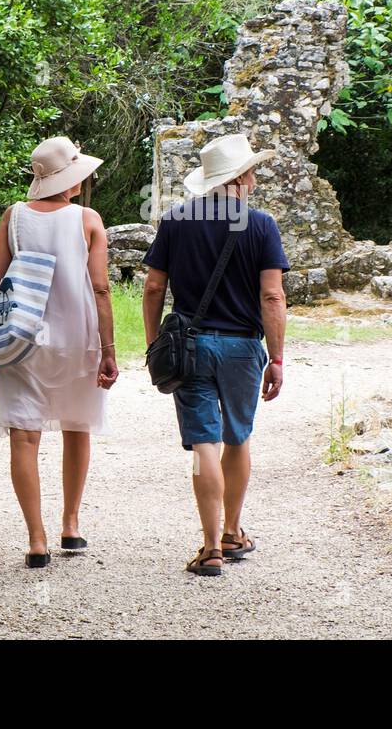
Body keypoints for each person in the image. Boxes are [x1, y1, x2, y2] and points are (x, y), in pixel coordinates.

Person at [141, 133, 288, 577]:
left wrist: (153, 344)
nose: (256, 178)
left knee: (204, 442)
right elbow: (273, 297)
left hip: (191, 346)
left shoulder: (176, 219)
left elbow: (153, 287)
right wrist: (276, 357)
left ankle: (209, 549)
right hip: (243, 347)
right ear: (241, 176)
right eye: (253, 170)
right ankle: (233, 531)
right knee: (237, 438)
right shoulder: (261, 225)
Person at [0, 136, 119, 568]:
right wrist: (108, 349)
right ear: (69, 178)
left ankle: (37, 540)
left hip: (23, 338)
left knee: (24, 436)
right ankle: (71, 524)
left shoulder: (14, 216)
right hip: (77, 338)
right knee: (76, 425)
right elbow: (100, 287)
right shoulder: (88, 219)